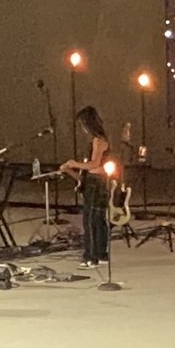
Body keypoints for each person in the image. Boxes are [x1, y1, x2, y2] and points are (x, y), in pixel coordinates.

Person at [61, 106, 110, 269]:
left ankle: (91, 257)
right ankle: (101, 253)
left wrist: (74, 163)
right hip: (94, 181)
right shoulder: (96, 140)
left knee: (90, 221)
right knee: (98, 221)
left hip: (97, 183)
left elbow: (94, 164)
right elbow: (83, 176)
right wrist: (69, 170)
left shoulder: (98, 140)